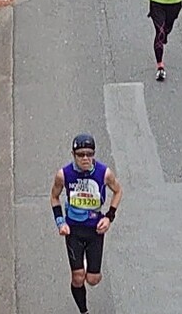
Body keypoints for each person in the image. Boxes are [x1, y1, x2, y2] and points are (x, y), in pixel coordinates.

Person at [52, 132, 121, 313]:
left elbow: (118, 191)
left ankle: (87, 265)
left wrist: (109, 217)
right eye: (80, 154)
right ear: (73, 155)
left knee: (92, 279)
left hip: (95, 231)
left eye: (89, 154)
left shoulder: (104, 173)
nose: (85, 158)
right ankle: (84, 311)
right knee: (78, 278)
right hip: (73, 231)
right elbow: (54, 197)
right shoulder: (63, 175)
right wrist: (60, 222)